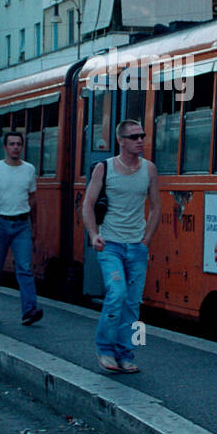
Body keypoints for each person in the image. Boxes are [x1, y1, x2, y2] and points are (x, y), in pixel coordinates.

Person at [82, 119, 160, 374]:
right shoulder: (104, 169)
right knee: (117, 293)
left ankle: (126, 353)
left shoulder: (149, 170)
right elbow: (88, 205)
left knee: (133, 303)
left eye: (142, 136)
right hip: (111, 245)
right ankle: (104, 349)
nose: (140, 140)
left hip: (136, 247)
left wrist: (146, 240)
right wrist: (94, 235)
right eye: (135, 137)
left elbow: (156, 207)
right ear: (121, 141)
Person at [0, 130, 42, 325]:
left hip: (22, 224)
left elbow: (32, 199)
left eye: (18, 144)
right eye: (12, 144)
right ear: (5, 147)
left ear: (22, 147)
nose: (16, 147)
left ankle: (29, 309)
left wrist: (35, 227)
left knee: (24, 268)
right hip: (0, 223)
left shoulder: (29, 169)